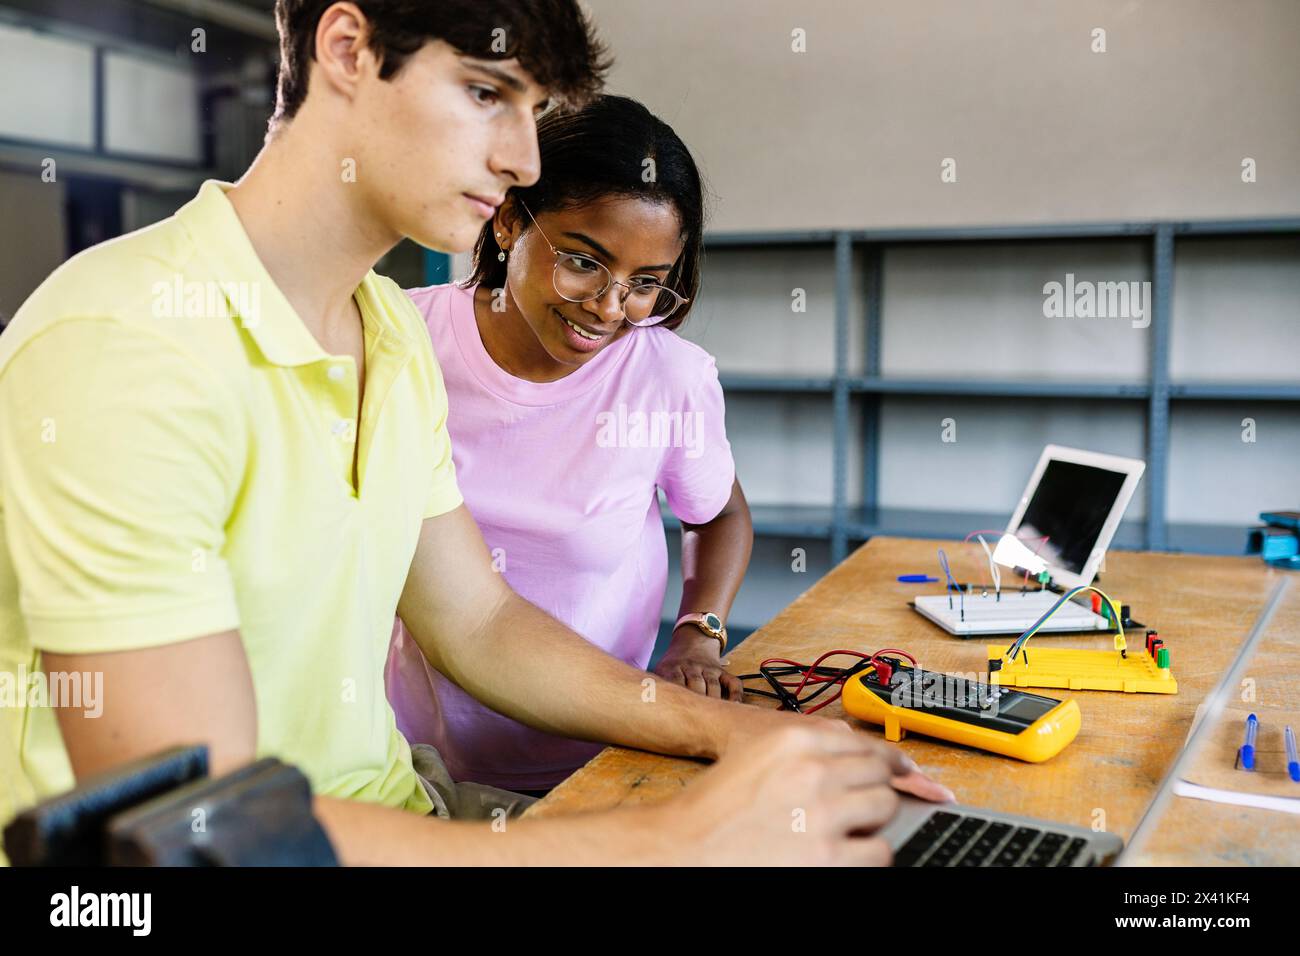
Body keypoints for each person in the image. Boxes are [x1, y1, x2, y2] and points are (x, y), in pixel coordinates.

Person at [0, 0, 951, 866]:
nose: (524, 161)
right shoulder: (126, 341)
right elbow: (205, 830)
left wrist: (741, 736)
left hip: (406, 808)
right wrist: (676, 841)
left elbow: (482, 623)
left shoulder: (383, 330)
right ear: (347, 50)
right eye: (488, 93)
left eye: (532, 112)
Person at [387, 94, 754, 795]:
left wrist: (699, 630)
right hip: (414, 759)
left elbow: (721, 514)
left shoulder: (668, 378)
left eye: (647, 284)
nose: (611, 309)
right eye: (584, 262)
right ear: (506, 221)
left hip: (602, 756)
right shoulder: (401, 341)